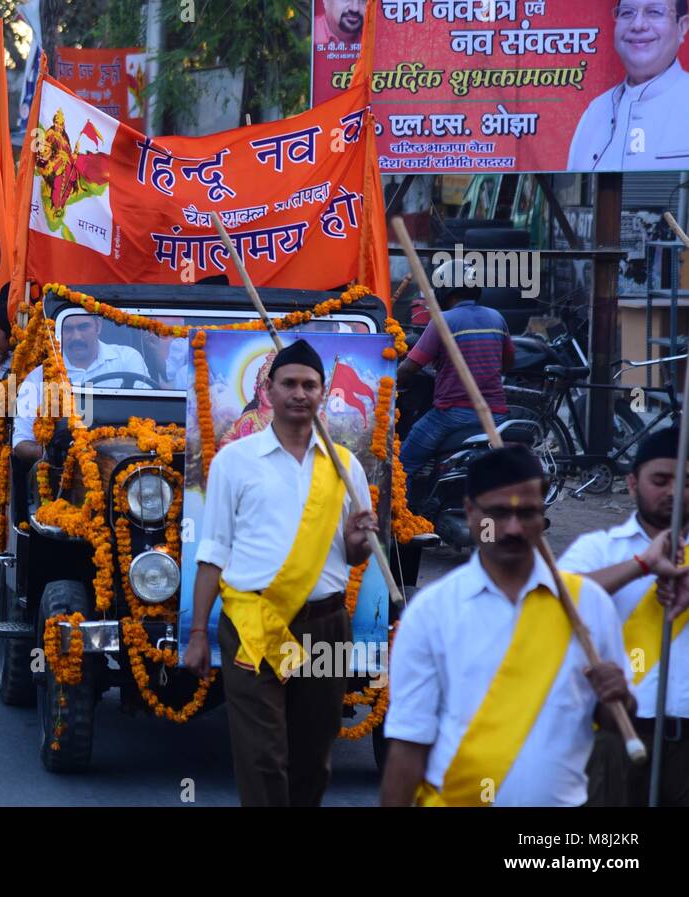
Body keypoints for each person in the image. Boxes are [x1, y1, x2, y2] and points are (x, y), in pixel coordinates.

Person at [181, 339, 376, 807]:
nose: (299, 393)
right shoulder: (234, 460)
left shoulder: (346, 467)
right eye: (289, 383)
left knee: (313, 752)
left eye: (310, 385)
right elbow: (214, 550)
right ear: (268, 389)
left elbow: (353, 557)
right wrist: (197, 634)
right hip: (254, 622)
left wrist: (359, 539)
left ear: (324, 392)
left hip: (325, 628)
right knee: (263, 753)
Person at [381, 445, 632, 806]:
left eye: (527, 513)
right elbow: (408, 742)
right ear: (470, 513)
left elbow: (614, 719)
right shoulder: (432, 612)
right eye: (498, 514)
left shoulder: (588, 604)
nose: (513, 528)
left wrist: (619, 697)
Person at [560, 427, 689, 807]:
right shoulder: (599, 548)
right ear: (632, 483)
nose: (672, 492)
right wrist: (641, 566)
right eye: (660, 480)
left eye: (684, 483)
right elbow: (555, 601)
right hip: (616, 733)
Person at [397, 259, 512, 477]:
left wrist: (386, 384)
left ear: (445, 291)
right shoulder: (497, 317)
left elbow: (410, 367)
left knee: (403, 465)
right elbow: (506, 363)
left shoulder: (444, 321)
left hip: (453, 414)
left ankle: (404, 510)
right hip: (496, 415)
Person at [11, 313, 150, 462]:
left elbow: (149, 416)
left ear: (98, 326)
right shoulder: (39, 376)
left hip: (125, 462)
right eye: (68, 329)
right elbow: (21, 442)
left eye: (83, 327)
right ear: (58, 332)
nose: (76, 337)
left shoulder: (127, 359)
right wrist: (55, 455)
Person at [567, 1, 689, 171]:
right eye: (627, 13)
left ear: (682, 26)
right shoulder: (595, 112)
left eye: (654, 12)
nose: (638, 25)